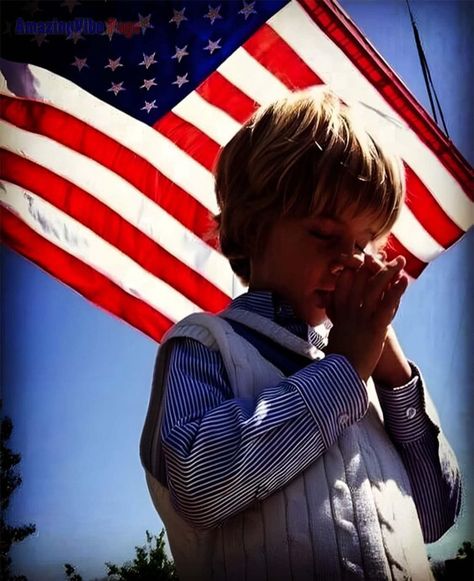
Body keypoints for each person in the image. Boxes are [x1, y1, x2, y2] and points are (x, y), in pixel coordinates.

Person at [140, 89, 461, 580]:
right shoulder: (205, 344)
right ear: (252, 228)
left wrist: (394, 377)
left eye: (363, 242)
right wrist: (346, 370)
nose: (351, 259)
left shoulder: (373, 376)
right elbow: (198, 483)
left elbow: (437, 514)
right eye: (324, 234)